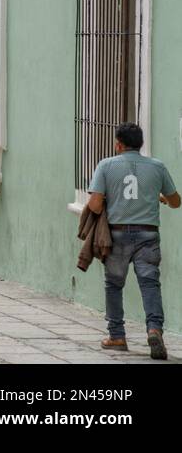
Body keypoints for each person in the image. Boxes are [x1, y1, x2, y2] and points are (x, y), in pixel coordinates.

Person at [87, 122, 180, 359]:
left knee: (114, 284)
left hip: (117, 235)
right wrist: (159, 197)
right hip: (148, 235)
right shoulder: (157, 167)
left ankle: (117, 336)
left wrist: (111, 199)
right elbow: (176, 201)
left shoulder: (106, 165)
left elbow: (95, 205)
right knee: (150, 284)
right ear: (141, 144)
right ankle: (154, 329)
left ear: (118, 144)